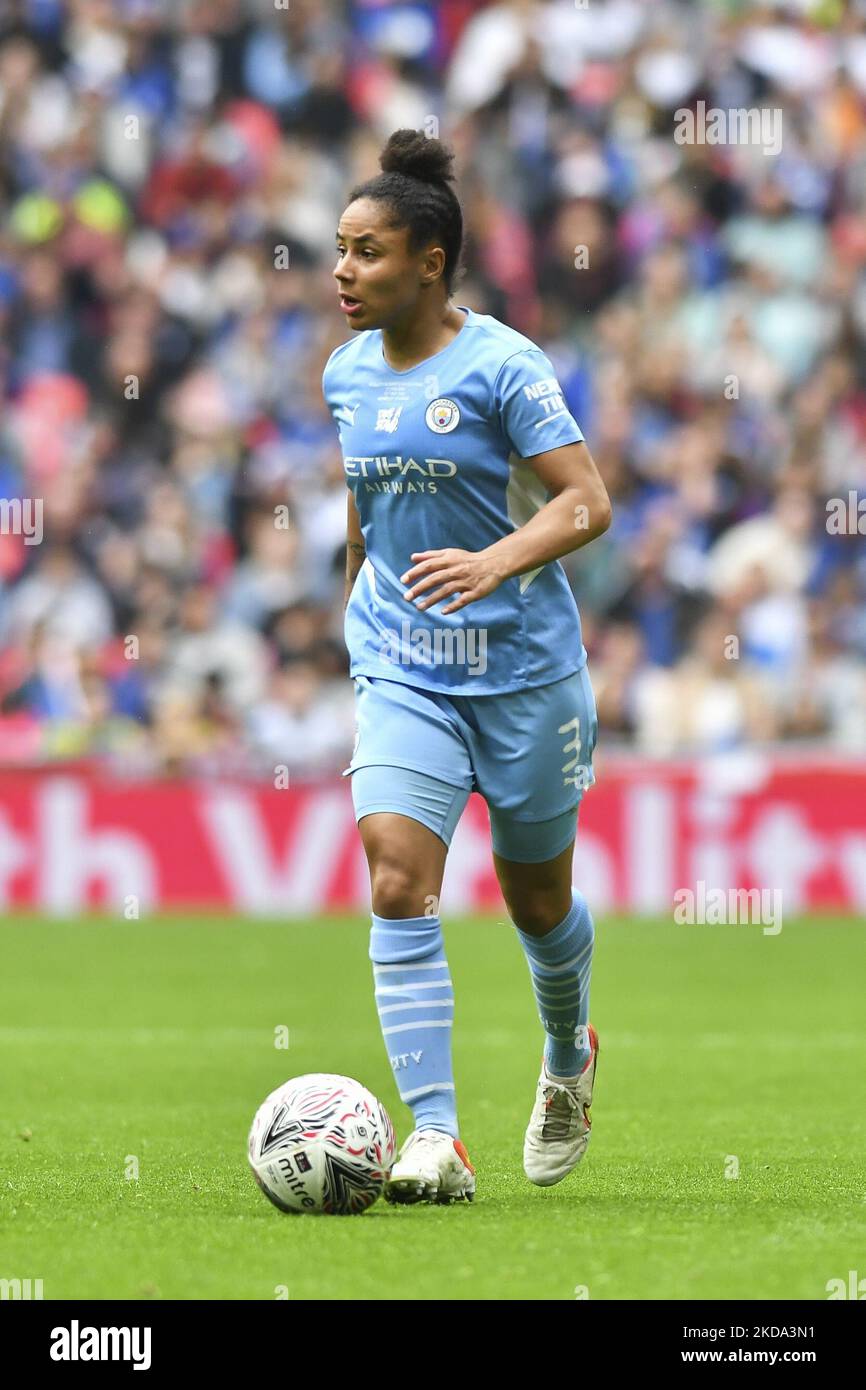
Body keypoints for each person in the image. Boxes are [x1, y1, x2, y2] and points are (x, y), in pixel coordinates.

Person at [322, 129, 612, 1204]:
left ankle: (566, 1051)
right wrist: (356, 601)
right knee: (398, 875)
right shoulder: (344, 372)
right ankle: (434, 1138)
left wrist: (494, 560)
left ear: (429, 260)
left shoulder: (501, 364)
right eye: (340, 250)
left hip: (524, 672)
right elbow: (366, 503)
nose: (343, 272)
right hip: (403, 666)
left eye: (366, 252)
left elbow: (587, 500)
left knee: (535, 901)